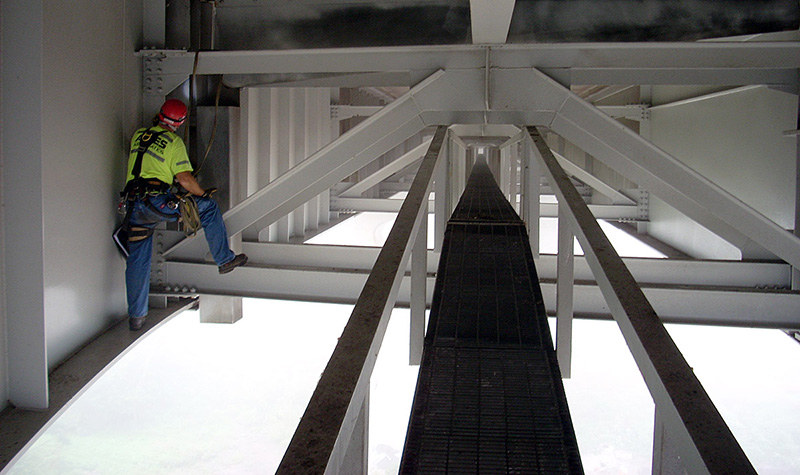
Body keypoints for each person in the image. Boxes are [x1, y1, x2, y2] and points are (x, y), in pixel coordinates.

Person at [122, 99, 247, 331]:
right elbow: (185, 179)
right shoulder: (173, 142)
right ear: (180, 122)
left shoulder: (140, 134)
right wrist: (203, 194)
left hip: (135, 206)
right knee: (208, 208)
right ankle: (224, 259)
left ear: (160, 115)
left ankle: (136, 317)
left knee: (138, 260)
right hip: (158, 203)